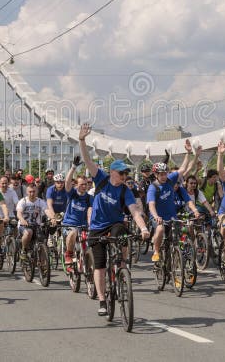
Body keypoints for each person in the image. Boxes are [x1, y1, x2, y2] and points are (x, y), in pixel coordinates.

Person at [78, 123, 149, 317]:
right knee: (100, 265)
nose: (126, 176)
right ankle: (102, 300)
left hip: (115, 223)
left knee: (122, 234)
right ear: (113, 173)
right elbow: (87, 160)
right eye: (122, 173)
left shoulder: (125, 190)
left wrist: (143, 228)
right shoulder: (100, 178)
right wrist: (82, 140)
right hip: (97, 227)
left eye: (127, 173)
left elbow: (134, 211)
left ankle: (122, 266)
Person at [147, 140, 201, 263]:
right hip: (158, 217)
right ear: (156, 175)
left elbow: (182, 169)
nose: (164, 176)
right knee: (160, 230)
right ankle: (156, 251)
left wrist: (188, 153)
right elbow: (151, 205)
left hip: (172, 216)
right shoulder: (153, 187)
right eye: (161, 174)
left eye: (165, 174)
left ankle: (177, 259)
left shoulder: (171, 180)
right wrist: (156, 216)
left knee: (178, 236)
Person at [62, 156, 93, 269]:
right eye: (81, 184)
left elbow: (90, 211)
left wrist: (90, 224)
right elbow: (67, 182)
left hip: (83, 226)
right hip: (69, 225)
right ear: (76, 185)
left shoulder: (89, 198)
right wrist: (73, 167)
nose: (84, 186)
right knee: (73, 232)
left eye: (85, 184)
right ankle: (69, 254)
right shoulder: (72, 194)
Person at [16, 184, 50, 260]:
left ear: (37, 191)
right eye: (30, 192)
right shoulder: (23, 201)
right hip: (24, 225)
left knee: (43, 241)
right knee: (28, 232)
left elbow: (46, 210)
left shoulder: (40, 201)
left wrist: (52, 218)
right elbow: (19, 213)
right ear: (27, 192)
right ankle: (24, 250)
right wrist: (22, 220)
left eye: (34, 191)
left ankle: (44, 265)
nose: (32, 193)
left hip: (37, 225)